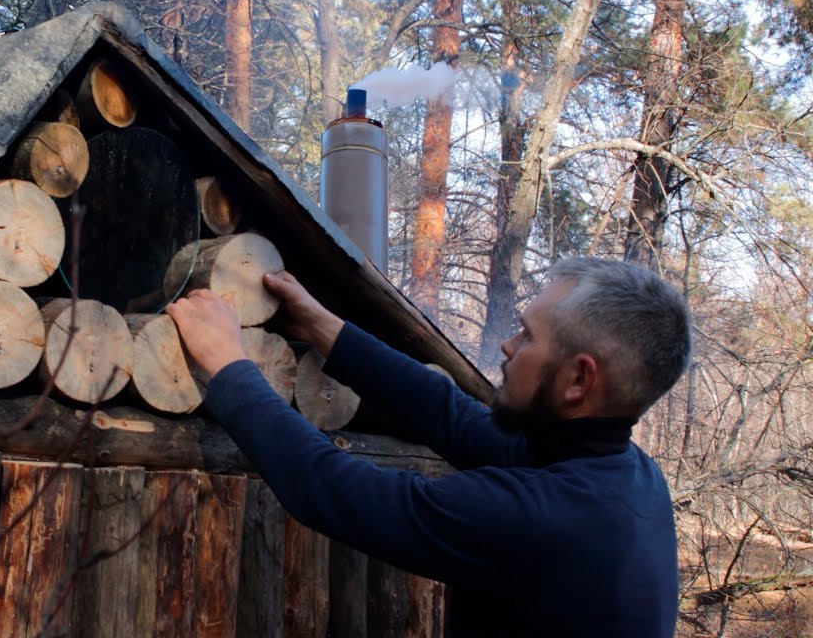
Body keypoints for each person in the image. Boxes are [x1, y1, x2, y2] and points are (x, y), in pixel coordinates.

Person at [166, 256, 692, 638]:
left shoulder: (544, 522)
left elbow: (325, 485)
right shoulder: (623, 472)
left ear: (579, 380)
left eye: (528, 336)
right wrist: (320, 325)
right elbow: (451, 415)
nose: (508, 345)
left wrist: (227, 364)